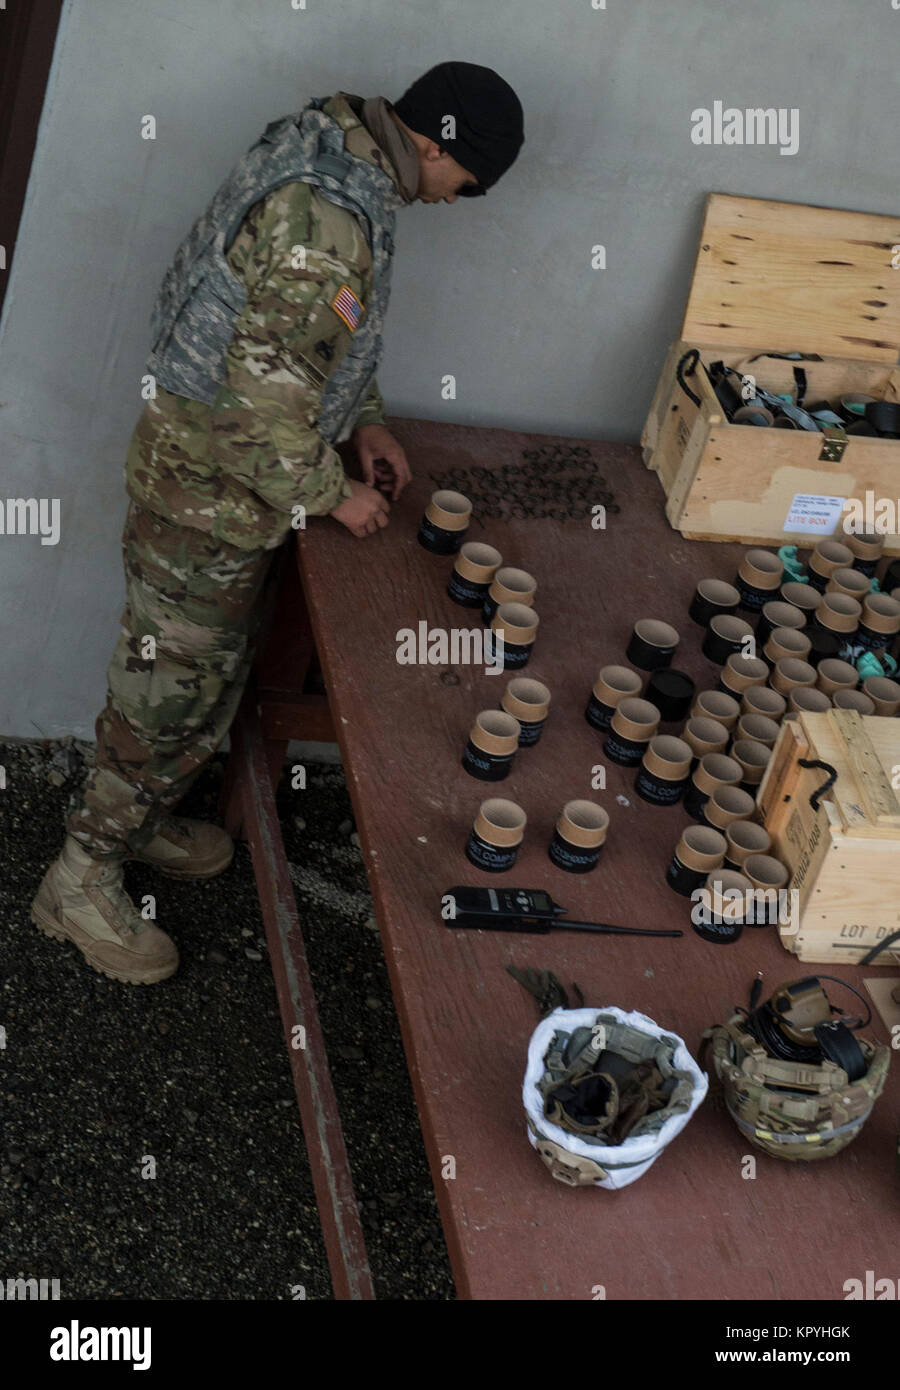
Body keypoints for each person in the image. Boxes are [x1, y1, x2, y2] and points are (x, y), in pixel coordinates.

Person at [30, 62, 524, 985]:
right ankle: (81, 875)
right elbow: (252, 415)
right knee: (165, 691)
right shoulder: (330, 225)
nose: (462, 201)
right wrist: (337, 493)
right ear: (433, 147)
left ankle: (137, 819)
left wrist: (364, 417)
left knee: (209, 672)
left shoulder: (340, 158)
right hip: (205, 496)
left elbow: (320, 343)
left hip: (226, 494)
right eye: (469, 181)